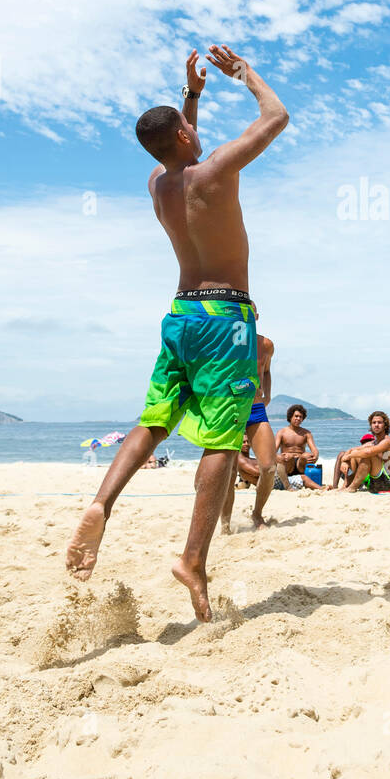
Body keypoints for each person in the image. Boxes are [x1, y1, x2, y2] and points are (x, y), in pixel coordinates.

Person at [66, 45, 288, 621]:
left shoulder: (158, 186)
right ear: (187, 137)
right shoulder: (217, 167)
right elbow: (276, 116)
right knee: (219, 441)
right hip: (224, 320)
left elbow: (177, 149)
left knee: (153, 421)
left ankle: (100, 504)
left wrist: (190, 96)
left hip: (180, 316)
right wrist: (242, 74)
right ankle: (193, 559)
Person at [220, 309, 276, 532]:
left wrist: (268, 394)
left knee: (269, 467)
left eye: (249, 312)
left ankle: (257, 513)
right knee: (228, 471)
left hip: (256, 408)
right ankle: (225, 522)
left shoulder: (266, 345)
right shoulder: (226, 341)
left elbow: (267, 371)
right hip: (230, 409)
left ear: (257, 315)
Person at [336, 413, 390, 492]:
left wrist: (349, 456)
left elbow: (368, 452)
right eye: (374, 423)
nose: (376, 425)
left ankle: (352, 488)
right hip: (373, 483)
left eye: (379, 422)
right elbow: (351, 450)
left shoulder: (388, 441)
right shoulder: (373, 443)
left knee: (368, 455)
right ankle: (346, 485)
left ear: (385, 425)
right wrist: (345, 462)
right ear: (371, 425)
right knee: (356, 453)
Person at [274, 404, 322, 488]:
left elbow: (314, 449)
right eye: (296, 416)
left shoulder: (306, 433)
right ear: (290, 417)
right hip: (288, 465)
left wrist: (316, 455)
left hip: (301, 465)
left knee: (306, 455)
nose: (298, 419)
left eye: (300, 417)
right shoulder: (282, 432)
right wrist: (279, 457)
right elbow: (273, 451)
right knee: (289, 457)